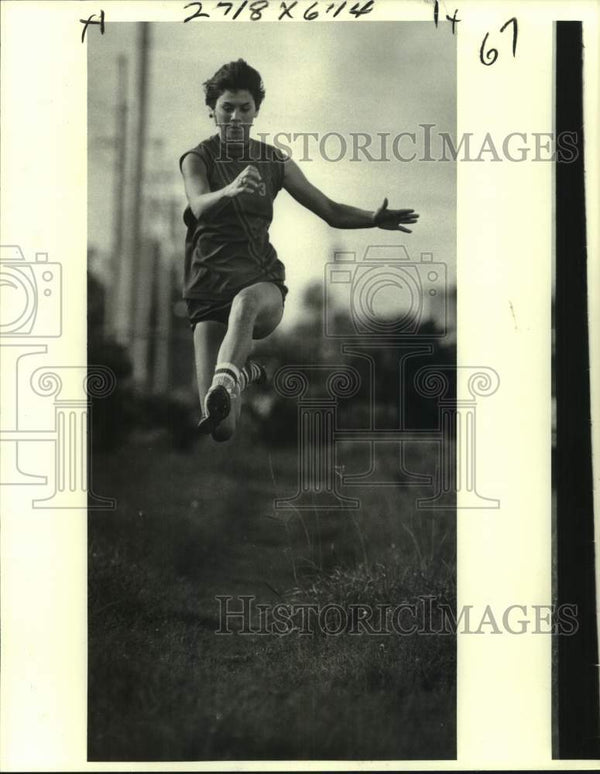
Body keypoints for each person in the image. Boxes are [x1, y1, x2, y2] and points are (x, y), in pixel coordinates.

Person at [179, 59, 419, 442]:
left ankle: (230, 371)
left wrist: (373, 218)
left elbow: (330, 211)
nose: (236, 117)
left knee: (245, 303)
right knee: (222, 427)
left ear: (256, 111)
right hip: (207, 294)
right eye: (227, 108)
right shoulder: (197, 159)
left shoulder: (274, 161)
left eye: (245, 108)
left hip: (261, 286)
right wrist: (230, 190)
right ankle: (247, 370)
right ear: (212, 112)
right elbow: (197, 204)